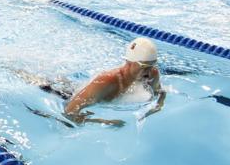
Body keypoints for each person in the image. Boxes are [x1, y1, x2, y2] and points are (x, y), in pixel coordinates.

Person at [22, 37, 166, 127]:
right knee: (41, 83)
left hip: (86, 91)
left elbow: (160, 92)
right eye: (144, 67)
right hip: (68, 95)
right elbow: (69, 112)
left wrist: (159, 105)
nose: (149, 72)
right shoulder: (107, 81)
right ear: (129, 62)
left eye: (152, 65)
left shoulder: (152, 74)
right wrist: (103, 121)